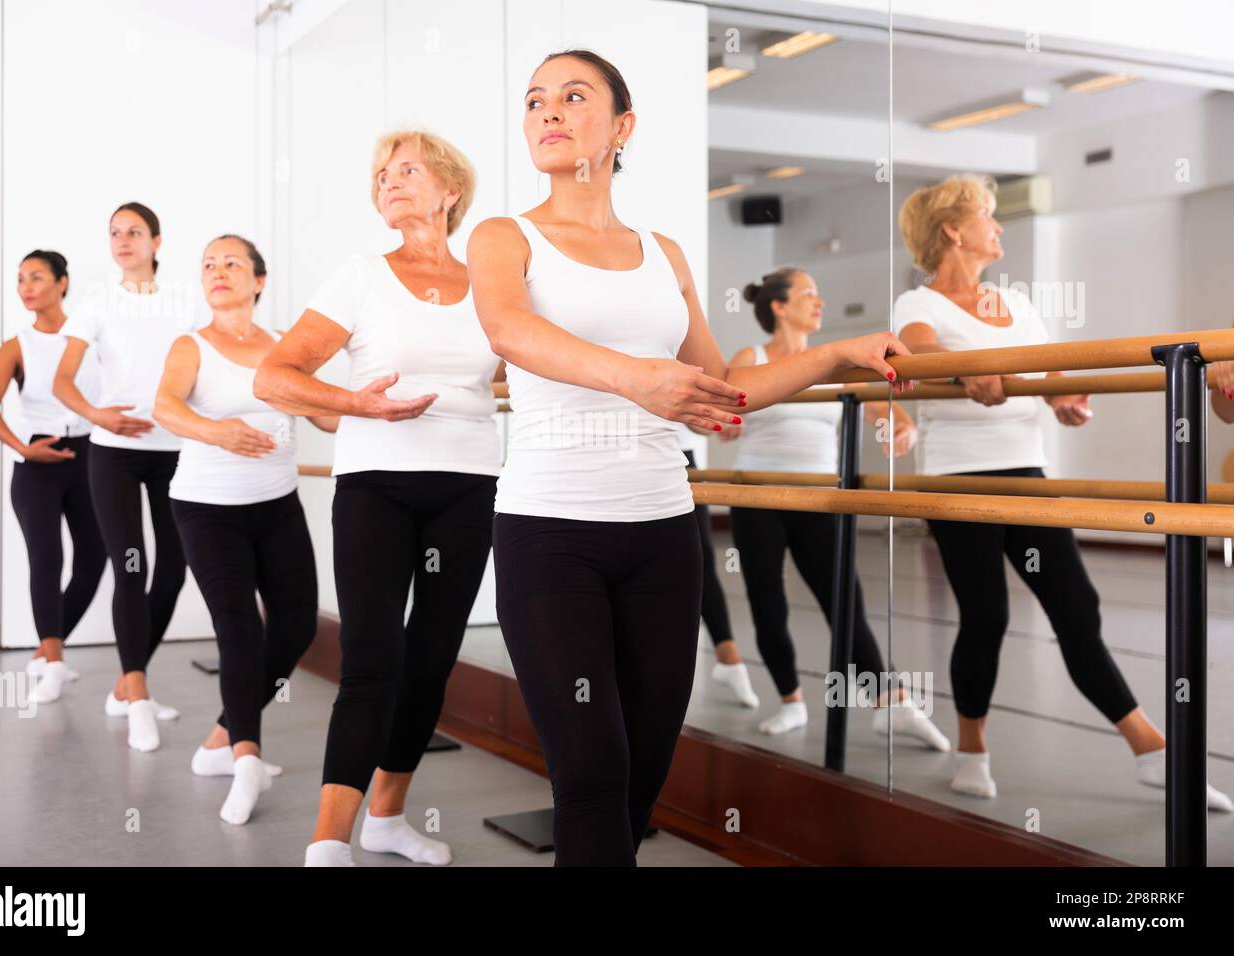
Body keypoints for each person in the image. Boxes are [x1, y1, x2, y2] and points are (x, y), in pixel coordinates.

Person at [466, 49, 914, 866]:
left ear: (621, 126)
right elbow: (510, 332)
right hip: (549, 532)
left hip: (664, 534)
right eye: (535, 102)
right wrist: (640, 380)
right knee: (592, 771)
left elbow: (721, 389)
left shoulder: (664, 253)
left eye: (573, 97)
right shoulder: (504, 236)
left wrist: (836, 354)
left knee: (643, 768)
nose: (549, 113)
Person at [893, 173, 1231, 810]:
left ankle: (1150, 751)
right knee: (986, 614)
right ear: (952, 231)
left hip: (1026, 472)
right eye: (988, 216)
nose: (997, 227)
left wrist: (1065, 397)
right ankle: (972, 747)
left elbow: (1050, 370)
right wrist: (973, 368)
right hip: (958, 479)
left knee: (1077, 607)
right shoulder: (919, 305)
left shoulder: (1014, 304)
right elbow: (922, 354)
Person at [255, 130, 503, 865]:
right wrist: (356, 406)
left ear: (451, 190)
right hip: (375, 490)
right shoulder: (360, 276)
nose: (388, 182)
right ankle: (328, 841)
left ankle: (388, 819)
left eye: (407, 171)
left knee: (431, 659)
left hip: (468, 488)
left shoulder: (491, 285)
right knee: (372, 658)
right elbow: (276, 376)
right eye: (381, 175)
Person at [155, 235, 337, 823]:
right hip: (207, 508)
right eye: (209, 264)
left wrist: (372, 402)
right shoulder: (191, 346)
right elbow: (165, 407)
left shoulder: (287, 347)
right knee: (238, 629)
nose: (218, 271)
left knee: (296, 625)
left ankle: (219, 739)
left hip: (276, 504)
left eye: (232, 262)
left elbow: (326, 416)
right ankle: (246, 758)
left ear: (259, 280)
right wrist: (219, 432)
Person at [727, 267, 947, 748]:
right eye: (808, 292)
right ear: (779, 306)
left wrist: (901, 428)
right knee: (768, 603)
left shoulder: (833, 362)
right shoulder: (753, 356)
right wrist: (726, 425)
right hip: (756, 496)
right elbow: (726, 410)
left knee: (844, 600)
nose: (819, 300)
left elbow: (885, 408)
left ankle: (891, 703)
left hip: (819, 498)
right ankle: (790, 703)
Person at [53, 202, 194, 752]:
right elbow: (63, 380)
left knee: (175, 570)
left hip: (174, 449)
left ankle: (126, 681)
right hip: (113, 451)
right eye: (115, 233)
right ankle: (137, 694)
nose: (123, 240)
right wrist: (98, 416)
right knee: (130, 565)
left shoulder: (184, 302)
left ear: (157, 241)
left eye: (134, 232)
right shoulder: (95, 304)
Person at [0, 250, 106, 703]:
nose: (26, 287)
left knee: (95, 559)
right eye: (20, 279)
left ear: (62, 283)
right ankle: (53, 661)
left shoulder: (88, 339)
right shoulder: (16, 346)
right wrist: (22, 448)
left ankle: (49, 646)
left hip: (88, 456)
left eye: (37, 277)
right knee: (47, 560)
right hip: (36, 466)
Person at [675, 423, 758, 707]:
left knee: (700, 559)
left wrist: (718, 421)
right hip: (618, 463)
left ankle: (728, 655)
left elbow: (703, 421)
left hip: (678, 458)